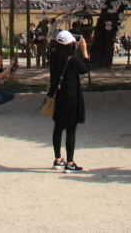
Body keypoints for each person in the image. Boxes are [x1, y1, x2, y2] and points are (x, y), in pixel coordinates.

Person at [47, 30, 90, 172]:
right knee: (71, 130)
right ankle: (70, 163)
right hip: (71, 99)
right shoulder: (72, 60)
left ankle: (58, 159)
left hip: (57, 97)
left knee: (58, 128)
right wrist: (84, 52)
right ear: (70, 44)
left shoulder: (53, 56)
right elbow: (85, 69)